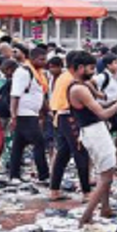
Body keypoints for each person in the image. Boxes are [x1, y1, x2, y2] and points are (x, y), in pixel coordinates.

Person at [67, 53, 117, 225]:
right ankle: (86, 217)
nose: (94, 72)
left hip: (95, 131)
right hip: (94, 132)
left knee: (106, 171)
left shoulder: (82, 86)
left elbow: (99, 106)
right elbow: (102, 114)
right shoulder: (78, 89)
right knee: (106, 176)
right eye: (91, 68)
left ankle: (105, 209)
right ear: (80, 68)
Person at [49, 51, 92, 201]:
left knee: (63, 154)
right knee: (80, 153)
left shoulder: (63, 77)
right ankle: (86, 192)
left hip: (61, 117)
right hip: (70, 117)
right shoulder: (71, 80)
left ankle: (54, 190)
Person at [8, 46, 51, 184]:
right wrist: (13, 116)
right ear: (32, 59)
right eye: (41, 59)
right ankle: (44, 175)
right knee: (39, 143)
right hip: (24, 114)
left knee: (18, 145)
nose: (44, 62)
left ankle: (14, 175)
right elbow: (15, 95)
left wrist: (46, 111)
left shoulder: (39, 74)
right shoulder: (23, 72)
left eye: (45, 59)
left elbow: (40, 94)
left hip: (32, 113)